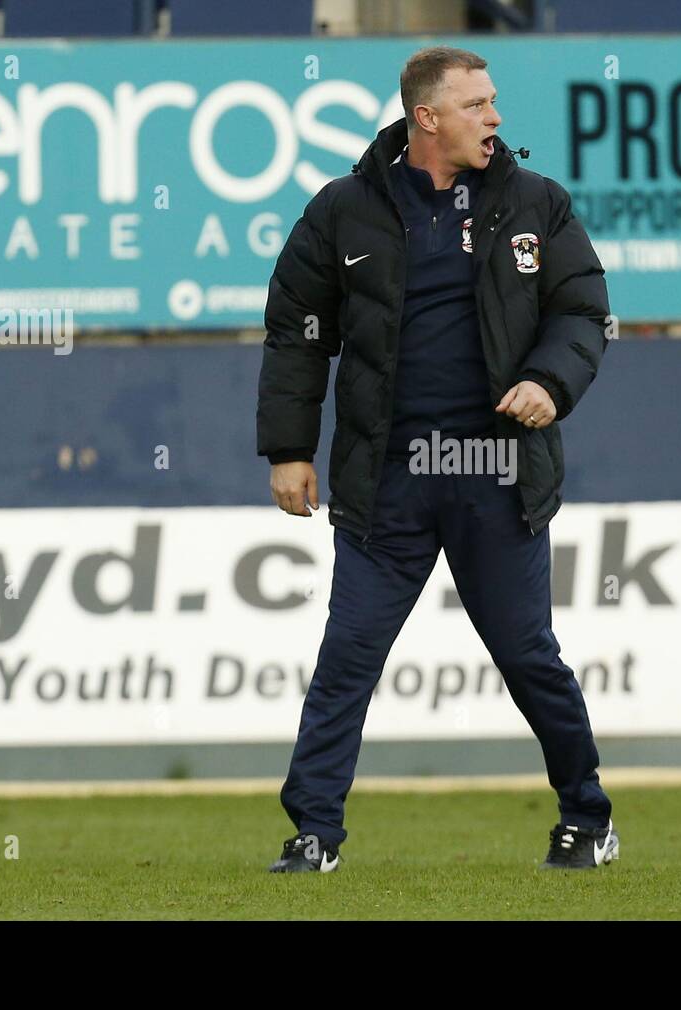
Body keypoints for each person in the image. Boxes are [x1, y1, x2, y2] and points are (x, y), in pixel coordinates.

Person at [257, 45, 616, 873]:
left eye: (494, 102)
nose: (495, 118)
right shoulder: (342, 210)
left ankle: (586, 815)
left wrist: (548, 383)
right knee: (347, 657)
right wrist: (288, 449)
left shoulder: (538, 204)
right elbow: (297, 334)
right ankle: (315, 833)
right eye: (478, 105)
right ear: (428, 117)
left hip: (497, 474)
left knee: (529, 657)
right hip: (389, 479)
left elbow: (582, 313)